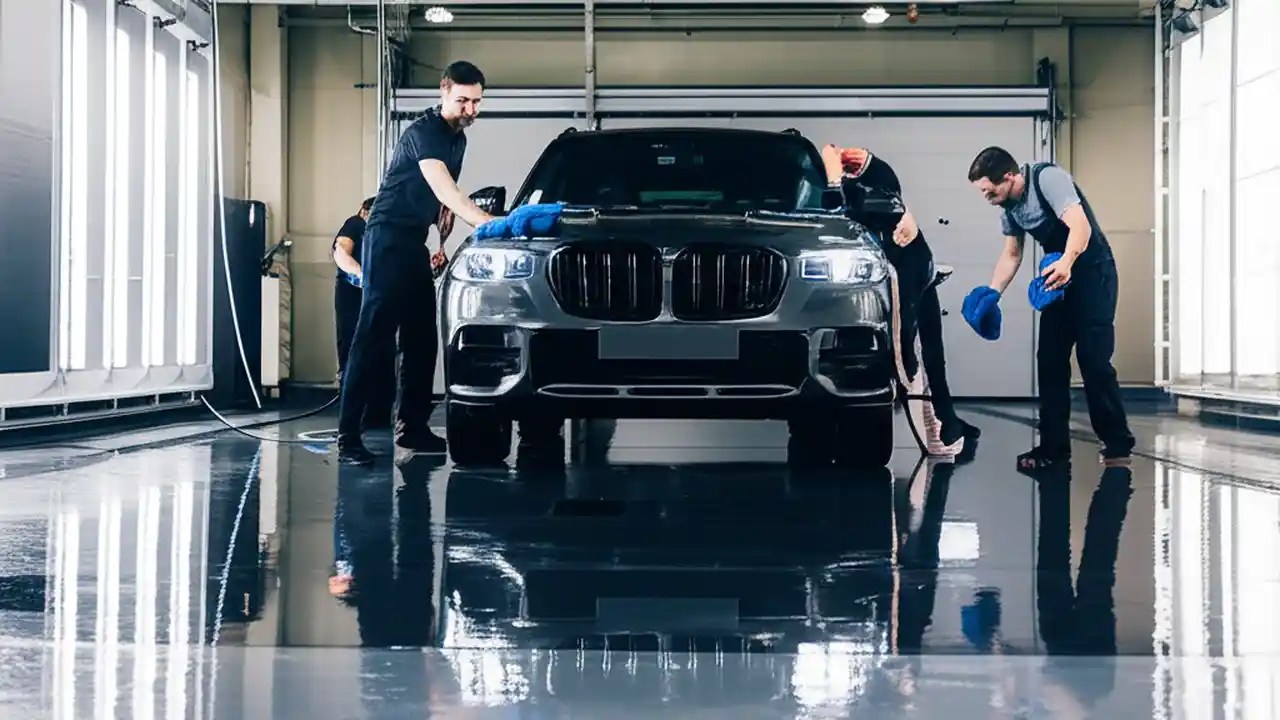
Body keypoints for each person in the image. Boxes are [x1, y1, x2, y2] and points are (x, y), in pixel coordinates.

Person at [336, 61, 496, 466]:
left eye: (477, 102)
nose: (470, 110)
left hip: (414, 245)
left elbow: (442, 198)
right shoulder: (424, 133)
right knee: (373, 339)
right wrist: (491, 223)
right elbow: (447, 191)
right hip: (387, 240)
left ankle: (412, 427)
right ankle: (347, 438)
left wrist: (442, 225)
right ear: (443, 91)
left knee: (422, 340)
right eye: (462, 100)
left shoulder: (457, 138)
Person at [967, 146, 1134, 470]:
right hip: (1057, 276)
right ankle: (1053, 449)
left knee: (1093, 358)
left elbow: (1080, 228)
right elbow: (1012, 254)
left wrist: (1068, 262)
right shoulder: (1010, 207)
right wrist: (992, 293)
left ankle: (1117, 444)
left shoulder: (1048, 179)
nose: (988, 198)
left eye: (990, 191)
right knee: (1050, 360)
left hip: (1091, 272)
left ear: (1011, 177)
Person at [822, 144, 979, 455]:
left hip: (914, 274)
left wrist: (837, 172)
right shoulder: (841, 204)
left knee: (923, 354)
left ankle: (947, 424)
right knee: (917, 354)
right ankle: (946, 423)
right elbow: (831, 203)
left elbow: (839, 198)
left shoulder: (879, 196)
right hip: (884, 280)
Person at [332, 196, 395, 429]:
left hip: (375, 295)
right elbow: (341, 251)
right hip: (353, 295)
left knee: (381, 351)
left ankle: (376, 414)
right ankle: (356, 416)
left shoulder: (381, 234)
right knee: (353, 347)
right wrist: (361, 274)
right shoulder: (355, 224)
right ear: (365, 211)